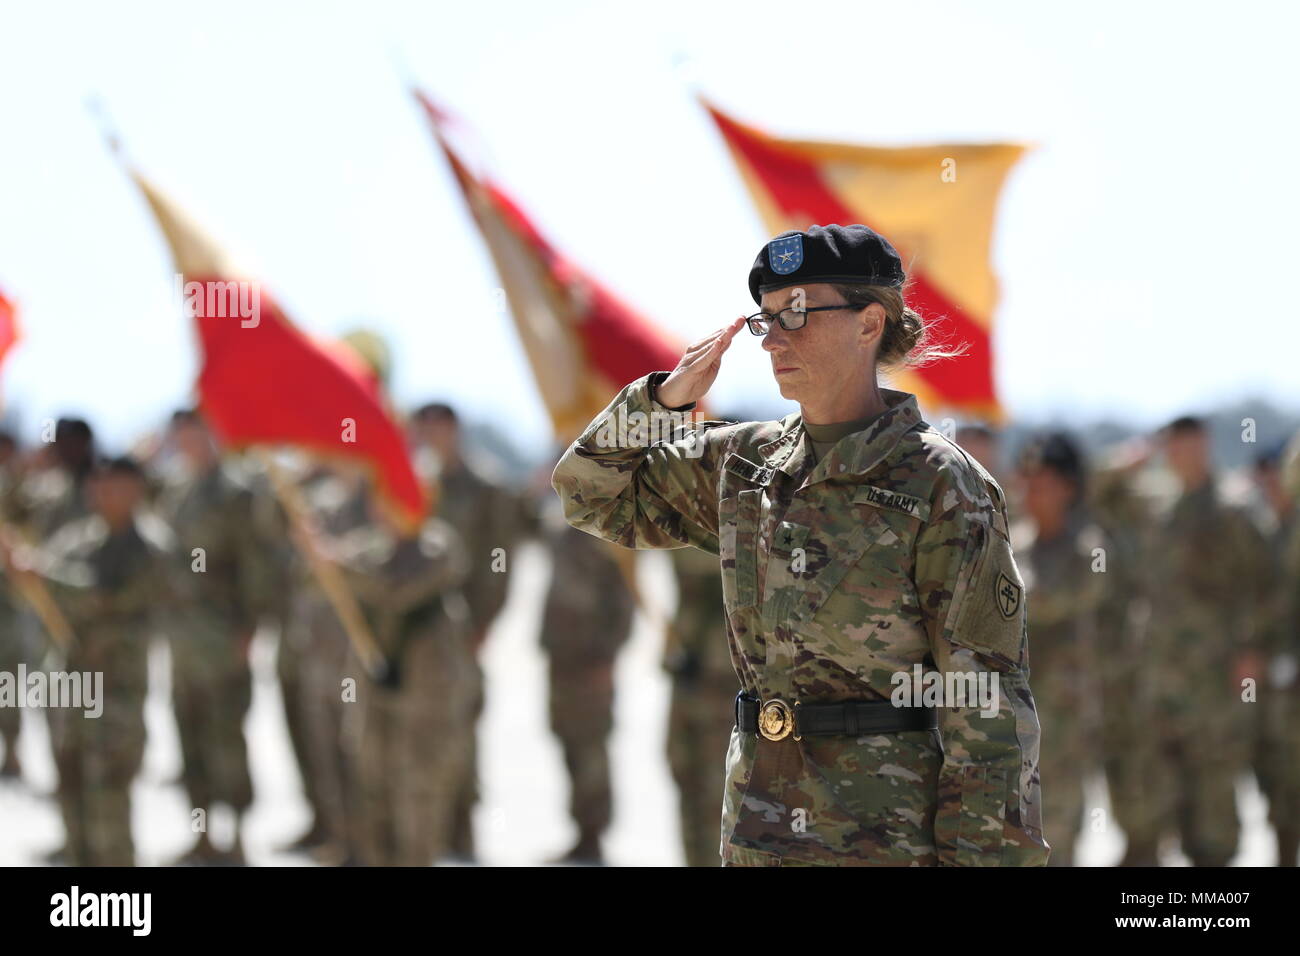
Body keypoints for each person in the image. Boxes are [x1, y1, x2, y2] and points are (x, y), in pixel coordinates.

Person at [553, 224, 1048, 866]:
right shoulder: (745, 462)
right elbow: (587, 495)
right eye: (766, 320)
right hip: (759, 827)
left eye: (797, 314)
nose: (775, 339)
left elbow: (985, 710)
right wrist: (663, 398)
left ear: (870, 324)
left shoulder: (939, 483)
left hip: (884, 839)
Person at [29, 456, 173, 865]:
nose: (102, 492)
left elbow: (104, 597)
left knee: (109, 808)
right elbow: (48, 584)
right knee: (71, 802)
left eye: (113, 485)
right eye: (99, 483)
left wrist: (40, 573)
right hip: (71, 691)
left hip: (115, 697)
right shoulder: (78, 539)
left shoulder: (148, 546)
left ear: (136, 490)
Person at [324, 497, 476, 866]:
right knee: (374, 792)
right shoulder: (367, 545)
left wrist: (336, 563)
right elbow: (316, 576)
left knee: (419, 797)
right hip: (376, 690)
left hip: (426, 697)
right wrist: (317, 551)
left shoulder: (436, 545)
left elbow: (397, 590)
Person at [155, 410, 276, 864]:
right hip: (182, 638)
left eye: (195, 433)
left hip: (224, 634)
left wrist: (252, 626)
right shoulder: (174, 489)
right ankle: (203, 833)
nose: (188, 442)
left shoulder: (237, 491)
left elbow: (257, 564)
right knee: (190, 735)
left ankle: (238, 836)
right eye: (180, 434)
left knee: (228, 737)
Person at [1146, 416, 1267, 866]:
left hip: (1218, 672)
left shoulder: (1233, 506)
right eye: (1173, 446)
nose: (1180, 454)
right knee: (1174, 786)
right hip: (1171, 675)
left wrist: (1251, 650)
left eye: (1188, 444)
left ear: (1206, 445)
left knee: (1215, 782)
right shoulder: (1166, 507)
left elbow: (1261, 583)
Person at [409, 402, 524, 861]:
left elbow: (500, 562)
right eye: (424, 428)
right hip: (417, 632)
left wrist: (483, 623)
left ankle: (461, 837)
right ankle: (427, 835)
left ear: (454, 429)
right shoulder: (416, 485)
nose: (431, 436)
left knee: (459, 733)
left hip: (461, 632)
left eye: (438, 426)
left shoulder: (487, 487)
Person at [1012, 432, 1109, 865]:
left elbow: (1048, 602)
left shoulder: (1087, 550)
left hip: (1065, 718)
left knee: (1061, 829)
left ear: (1068, 488)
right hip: (1013, 718)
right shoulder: (1014, 542)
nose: (1033, 490)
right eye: (1028, 479)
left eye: (1045, 481)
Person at [537, 494, 636, 865]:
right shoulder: (560, 521)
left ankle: (593, 832)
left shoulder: (611, 527)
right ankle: (581, 831)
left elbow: (624, 598)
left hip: (592, 657)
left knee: (591, 743)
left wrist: (609, 655)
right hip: (561, 653)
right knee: (565, 737)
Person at [664, 544, 736, 866]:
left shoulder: (748, 511)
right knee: (684, 771)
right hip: (690, 669)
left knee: (718, 788)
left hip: (723, 680)